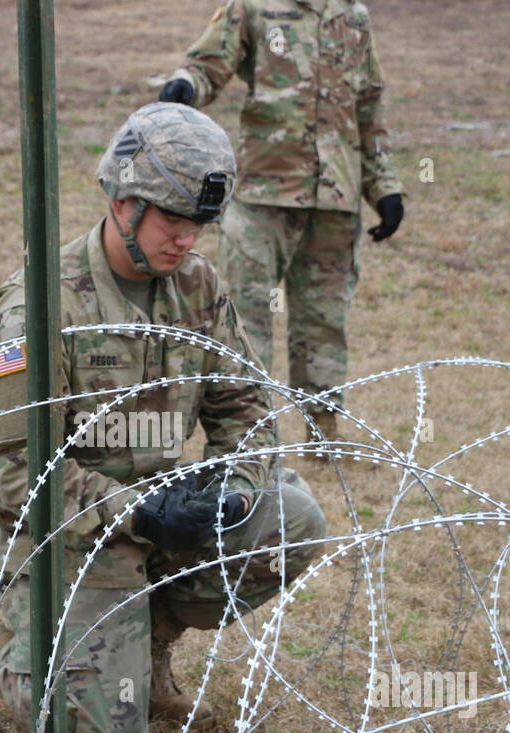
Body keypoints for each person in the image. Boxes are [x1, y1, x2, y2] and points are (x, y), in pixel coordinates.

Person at [0, 103, 326, 733]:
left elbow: (246, 407)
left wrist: (235, 492)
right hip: (55, 534)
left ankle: (142, 649)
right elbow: (16, 473)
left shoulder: (197, 286)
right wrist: (140, 512)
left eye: (198, 224)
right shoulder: (35, 311)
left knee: (291, 519)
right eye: (172, 220)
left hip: (156, 516)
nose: (186, 239)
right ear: (123, 203)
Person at [159, 0, 405, 438]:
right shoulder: (254, 6)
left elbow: (369, 105)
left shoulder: (353, 16)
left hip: (334, 199)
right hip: (262, 194)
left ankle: (323, 433)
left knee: (324, 320)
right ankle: (248, 436)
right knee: (245, 319)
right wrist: (186, 87)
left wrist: (383, 186)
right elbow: (209, 64)